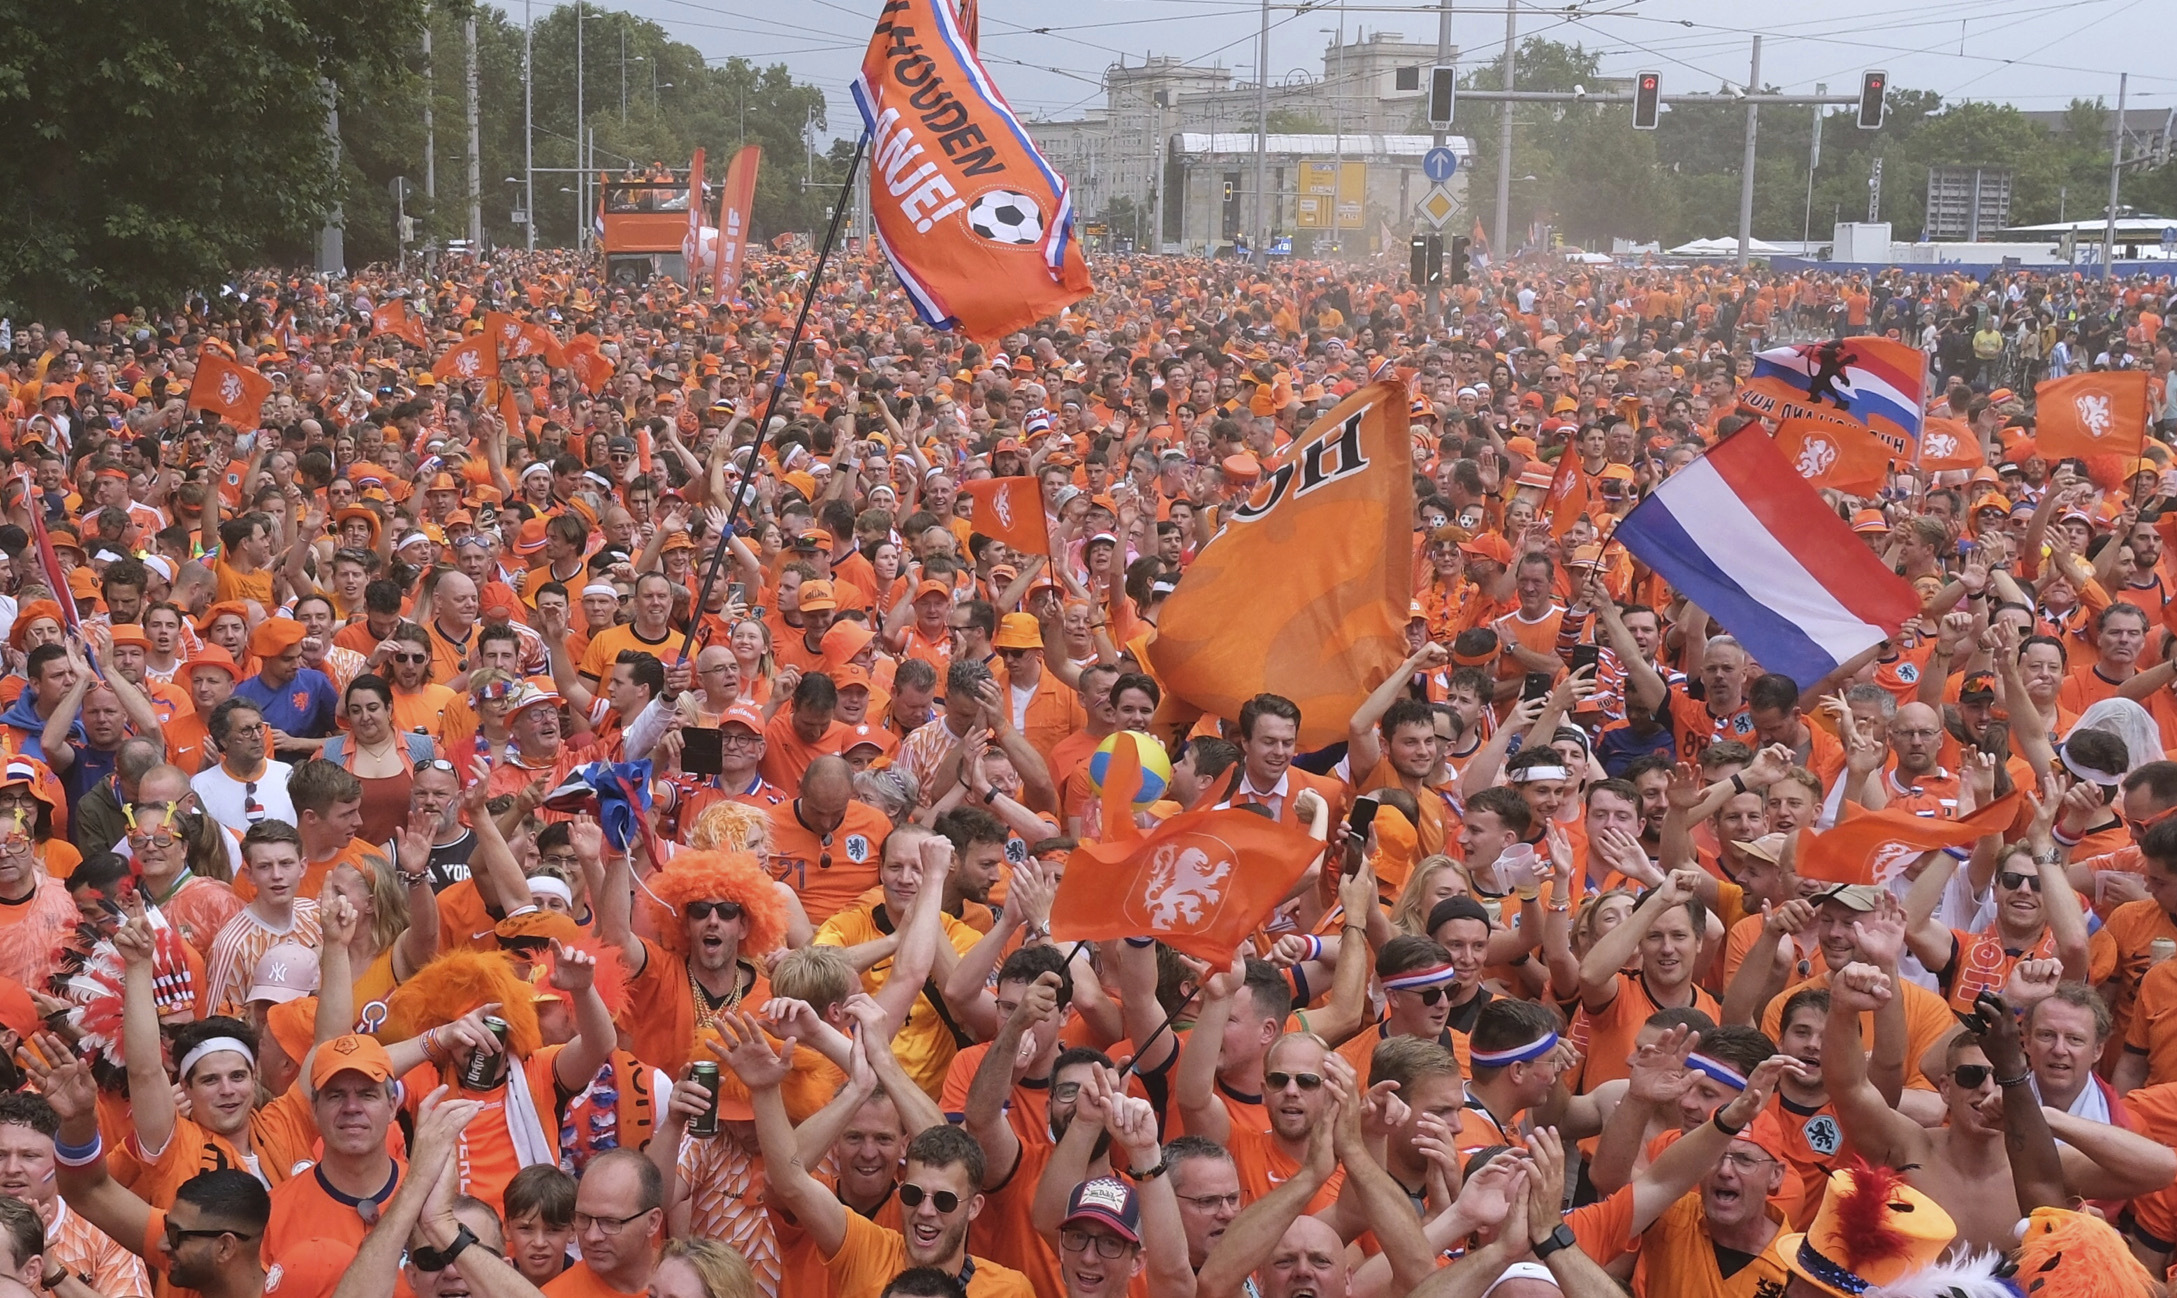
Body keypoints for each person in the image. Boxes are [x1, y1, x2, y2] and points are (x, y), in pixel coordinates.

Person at [191, 699, 296, 837]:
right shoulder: (200, 785)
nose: (257, 736)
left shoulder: (287, 774)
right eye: (246, 730)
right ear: (223, 740)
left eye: (259, 727)